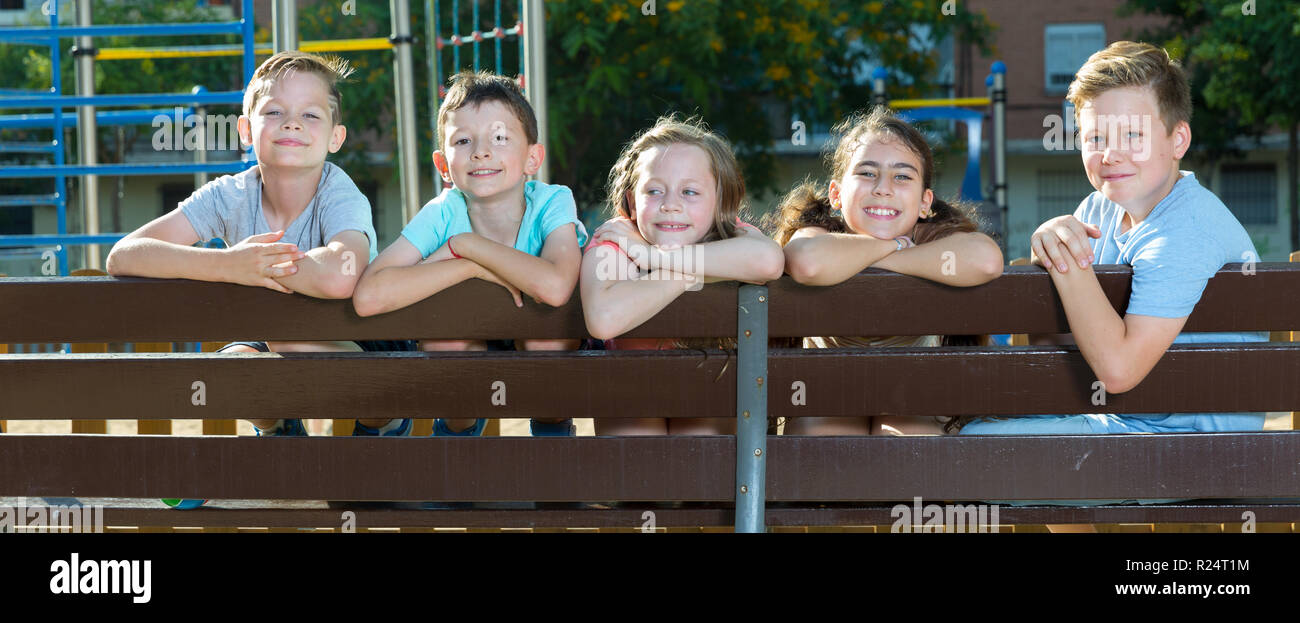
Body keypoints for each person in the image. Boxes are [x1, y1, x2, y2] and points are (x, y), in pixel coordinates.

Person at [960, 41, 1266, 438]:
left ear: (1179, 140)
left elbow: (1117, 371)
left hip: (1193, 447)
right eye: (1095, 138)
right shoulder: (1097, 211)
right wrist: (1052, 247)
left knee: (968, 446)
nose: (1110, 154)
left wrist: (1067, 261)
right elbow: (1057, 342)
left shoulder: (1187, 228)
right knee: (956, 431)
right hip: (1127, 426)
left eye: (1133, 135)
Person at [106, 50, 409, 438]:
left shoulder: (339, 194)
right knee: (234, 363)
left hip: (362, 340)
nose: (292, 124)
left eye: (310, 115)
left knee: (288, 337)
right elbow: (125, 255)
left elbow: (340, 275)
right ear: (246, 131)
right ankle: (280, 428)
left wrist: (259, 265)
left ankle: (378, 418)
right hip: (275, 338)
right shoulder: (230, 195)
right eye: (275, 112)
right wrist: (228, 265)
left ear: (336, 137)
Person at [352, 71, 587, 437]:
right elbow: (369, 296)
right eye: (463, 140)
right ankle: (457, 441)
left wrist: (465, 246)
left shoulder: (550, 201)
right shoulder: (444, 211)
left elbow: (556, 287)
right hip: (469, 343)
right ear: (443, 165)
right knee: (446, 338)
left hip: (536, 339)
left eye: (499, 137)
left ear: (532, 158)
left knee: (547, 335)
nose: (481, 151)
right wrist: (468, 269)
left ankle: (551, 434)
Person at [773, 107, 1003, 436]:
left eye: (902, 176)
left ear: (925, 203)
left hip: (911, 393)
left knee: (908, 430)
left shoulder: (932, 235)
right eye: (867, 173)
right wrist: (895, 247)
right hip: (828, 393)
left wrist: (873, 258)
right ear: (836, 194)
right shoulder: (820, 230)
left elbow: (986, 260)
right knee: (825, 432)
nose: (884, 188)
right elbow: (807, 262)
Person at [580, 115, 785, 435]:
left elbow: (770, 261)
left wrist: (660, 258)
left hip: (711, 395)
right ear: (632, 203)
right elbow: (604, 318)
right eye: (654, 191)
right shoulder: (617, 238)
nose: (671, 205)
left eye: (689, 192)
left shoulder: (732, 235)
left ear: (720, 202)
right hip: (636, 399)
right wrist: (693, 272)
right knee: (634, 431)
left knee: (700, 427)